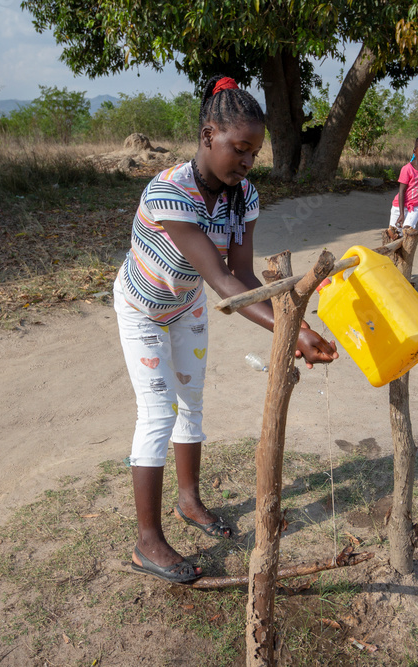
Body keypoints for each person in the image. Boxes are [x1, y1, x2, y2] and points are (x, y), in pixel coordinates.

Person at [113, 75, 339, 584]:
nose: (246, 162)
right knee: (157, 413)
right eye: (239, 149)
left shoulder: (244, 197)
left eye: (254, 154)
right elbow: (222, 282)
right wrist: (293, 331)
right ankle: (146, 542)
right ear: (208, 134)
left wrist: (295, 322)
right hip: (142, 309)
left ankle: (189, 502)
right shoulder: (168, 192)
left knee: (190, 404)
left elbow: (244, 274)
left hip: (186, 305)